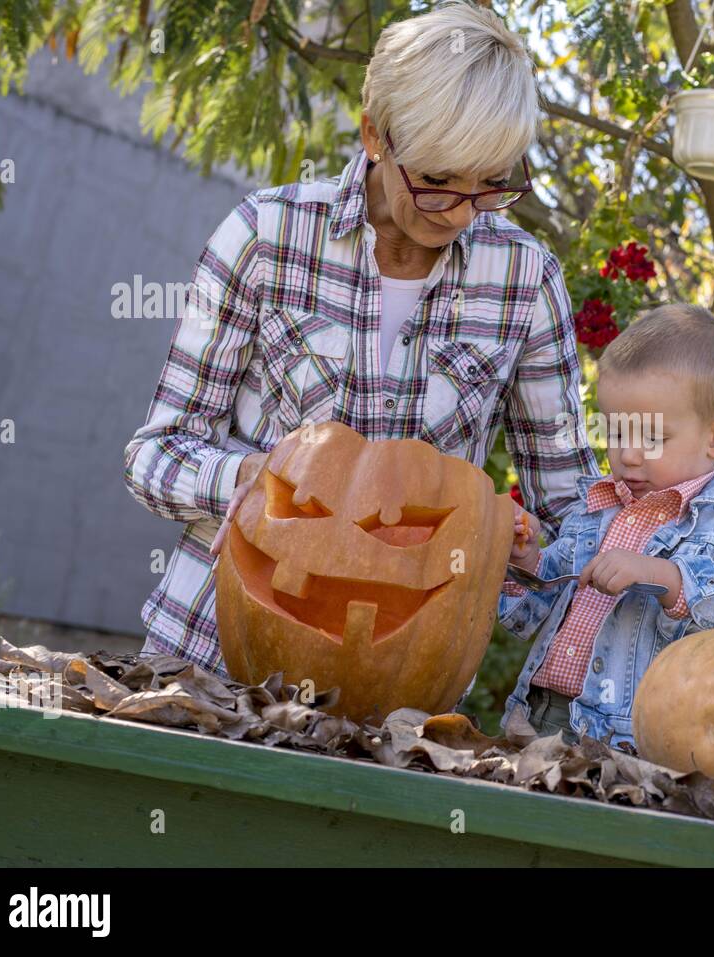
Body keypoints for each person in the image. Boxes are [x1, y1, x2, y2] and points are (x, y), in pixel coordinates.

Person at [123, 1, 597, 676]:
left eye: (489, 184)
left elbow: (571, 506)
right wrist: (253, 479)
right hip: (207, 659)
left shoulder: (526, 280)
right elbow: (153, 455)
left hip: (400, 693)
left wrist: (520, 548)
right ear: (376, 135)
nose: (460, 212)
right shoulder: (265, 236)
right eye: (436, 180)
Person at [498, 304, 714, 748]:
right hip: (536, 716)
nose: (628, 455)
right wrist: (527, 560)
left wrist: (665, 578)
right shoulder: (594, 509)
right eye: (616, 433)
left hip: (629, 744)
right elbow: (527, 615)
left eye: (651, 437)